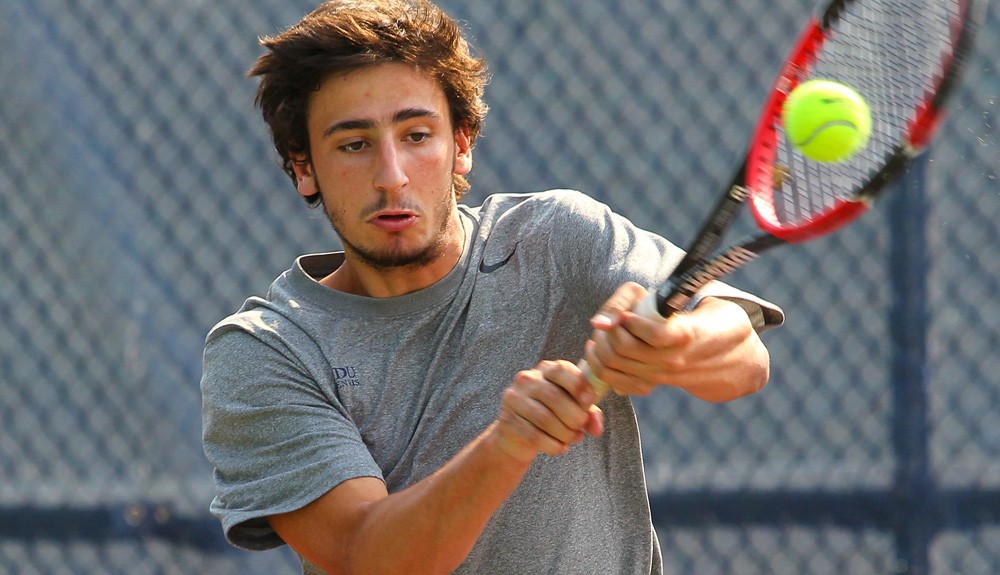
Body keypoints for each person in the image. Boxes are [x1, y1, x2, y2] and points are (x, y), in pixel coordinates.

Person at [200, 1, 784, 573]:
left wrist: (672, 348)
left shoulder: (558, 238)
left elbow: (742, 355)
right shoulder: (264, 352)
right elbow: (366, 557)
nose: (392, 176)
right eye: (354, 145)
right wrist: (507, 445)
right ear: (304, 166)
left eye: (417, 135)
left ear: (462, 144)